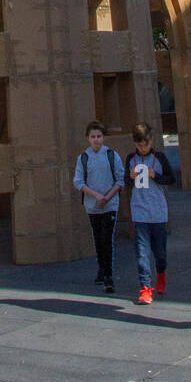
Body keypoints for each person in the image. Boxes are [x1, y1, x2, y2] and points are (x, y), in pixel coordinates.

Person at [125, 123, 175, 305]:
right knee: (142, 252)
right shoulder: (131, 158)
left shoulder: (159, 157)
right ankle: (145, 287)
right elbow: (126, 182)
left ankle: (161, 273)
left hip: (158, 212)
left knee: (160, 252)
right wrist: (130, 177)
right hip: (139, 212)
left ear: (151, 141)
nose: (142, 149)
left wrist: (156, 176)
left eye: (145, 145)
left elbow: (171, 178)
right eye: (139, 146)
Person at [73, 121, 125, 294]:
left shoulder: (111, 155)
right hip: (93, 205)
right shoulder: (83, 158)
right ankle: (101, 268)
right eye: (93, 137)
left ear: (103, 138)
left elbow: (120, 179)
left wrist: (107, 197)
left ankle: (108, 275)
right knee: (98, 238)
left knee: (107, 239)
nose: (96, 140)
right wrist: (96, 196)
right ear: (88, 138)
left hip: (110, 204)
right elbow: (78, 181)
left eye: (99, 136)